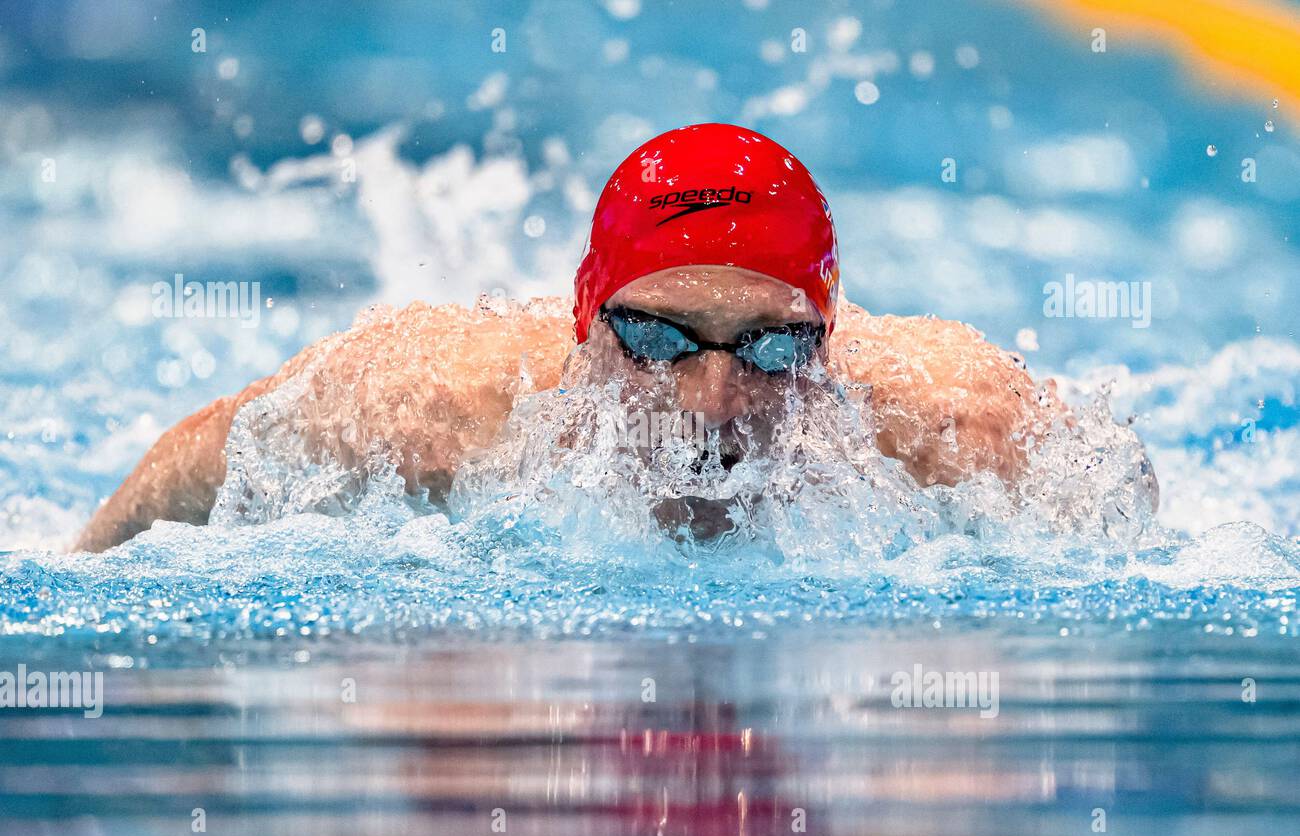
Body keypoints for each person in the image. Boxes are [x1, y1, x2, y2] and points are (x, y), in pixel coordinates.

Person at [75, 123, 1095, 553]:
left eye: (773, 349)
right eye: (654, 338)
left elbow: (1127, 521)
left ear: (825, 342)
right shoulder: (431, 408)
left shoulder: (956, 426)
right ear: (584, 322)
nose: (712, 403)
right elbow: (201, 460)